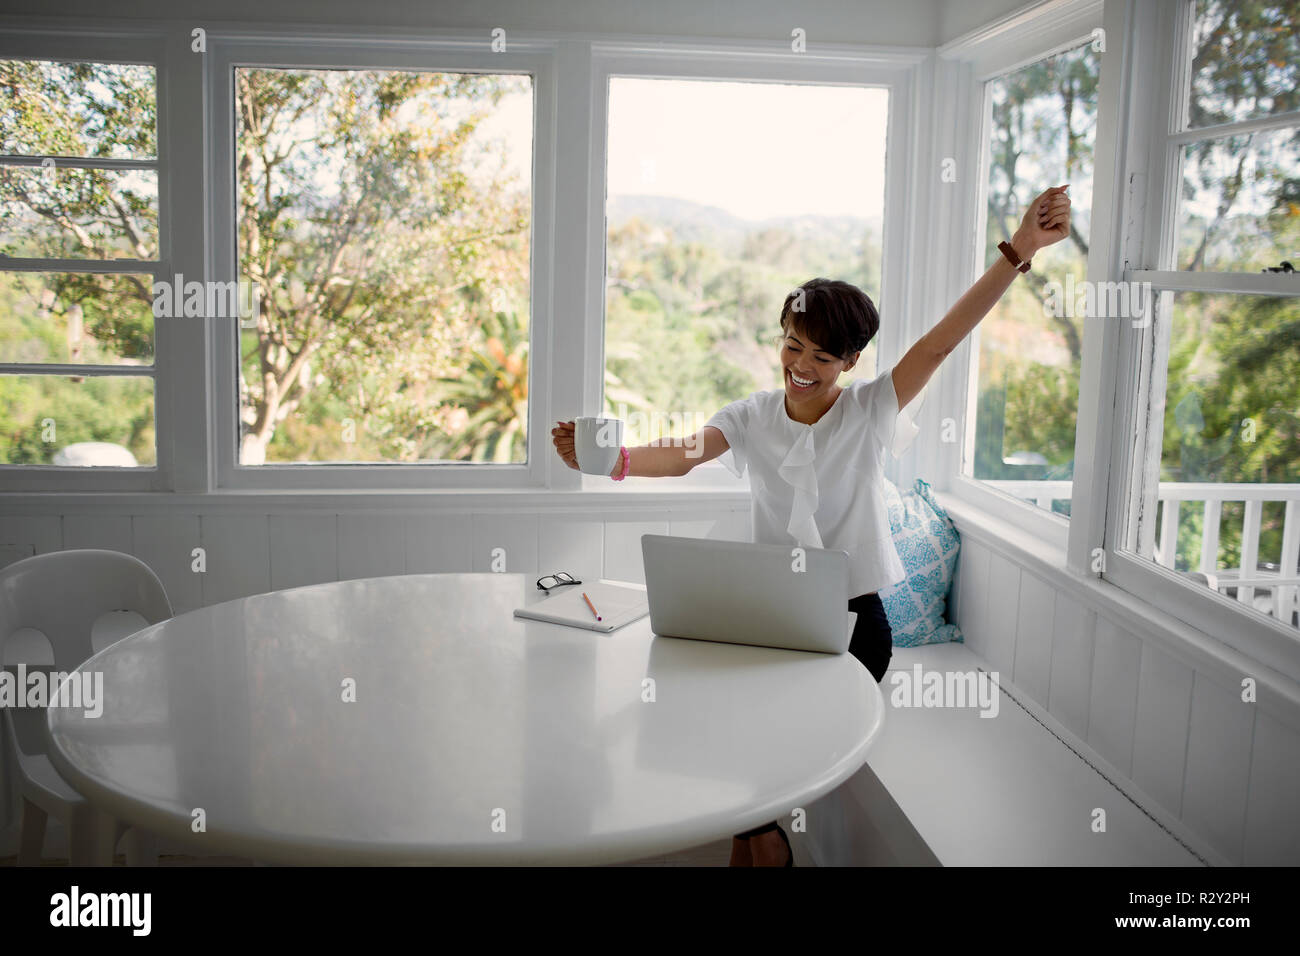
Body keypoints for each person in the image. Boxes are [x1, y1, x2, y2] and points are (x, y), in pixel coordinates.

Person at [552, 185, 1071, 866]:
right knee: (733, 716)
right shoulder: (751, 414)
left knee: (779, 731)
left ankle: (760, 843)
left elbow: (941, 344)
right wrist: (610, 460)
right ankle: (763, 841)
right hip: (776, 615)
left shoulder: (871, 410)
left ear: (851, 362)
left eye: (822, 358)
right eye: (793, 347)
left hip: (857, 620)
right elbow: (684, 456)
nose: (801, 367)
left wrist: (1019, 251)